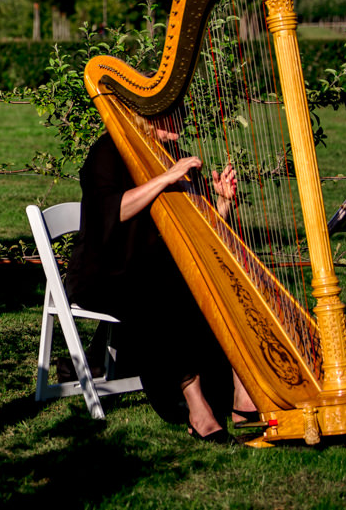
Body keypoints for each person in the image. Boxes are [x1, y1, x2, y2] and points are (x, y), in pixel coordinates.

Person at [64, 117, 255, 443]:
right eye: (169, 114)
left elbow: (196, 228)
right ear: (143, 116)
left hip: (156, 268)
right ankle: (198, 409)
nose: (179, 121)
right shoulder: (108, 151)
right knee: (160, 294)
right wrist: (166, 179)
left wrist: (222, 202)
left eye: (181, 112)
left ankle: (243, 388)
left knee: (219, 283)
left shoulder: (173, 155)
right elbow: (113, 211)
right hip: (105, 271)